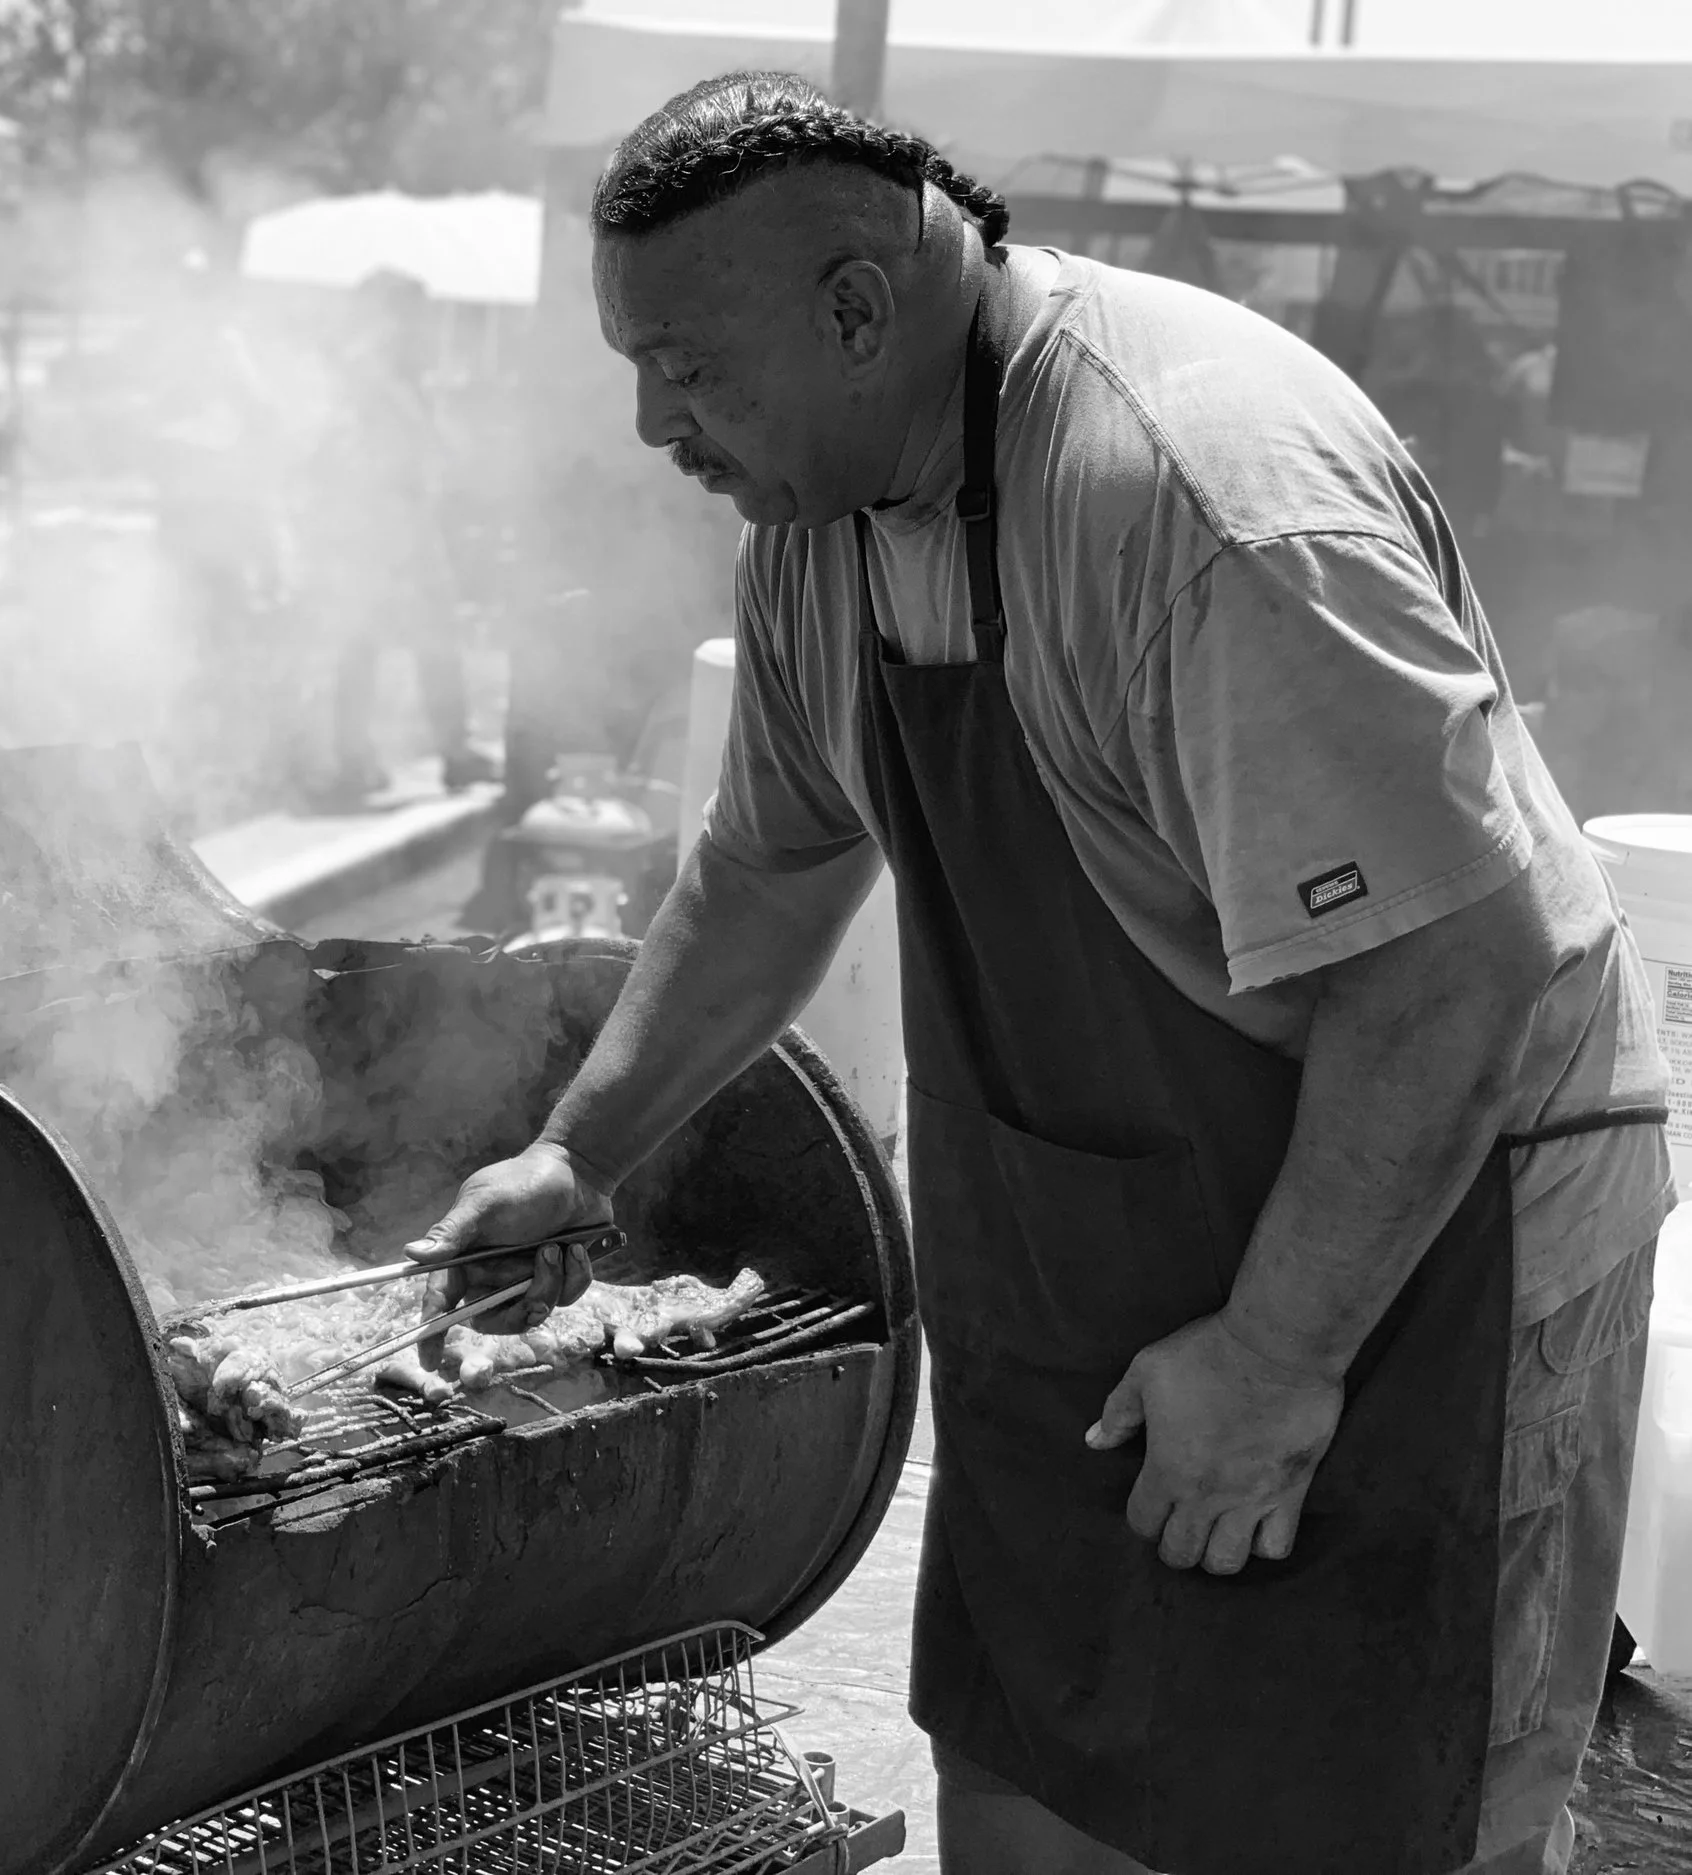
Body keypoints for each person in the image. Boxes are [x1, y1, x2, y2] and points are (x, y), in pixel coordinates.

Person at [407, 72, 1676, 1875]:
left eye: (684, 364)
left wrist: (1281, 1350)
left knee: (1381, 1806)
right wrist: (579, 1156)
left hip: (1442, 1214)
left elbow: (1450, 979)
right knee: (1036, 1779)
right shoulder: (818, 521)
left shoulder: (1193, 493)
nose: (647, 422)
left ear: (858, 308)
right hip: (1110, 1230)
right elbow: (772, 870)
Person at [306, 271, 496, 804]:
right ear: (392, 318)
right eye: (419, 314)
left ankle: (447, 754)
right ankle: (358, 761)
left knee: (428, 641)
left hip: (404, 525)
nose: (432, 328)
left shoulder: (400, 375)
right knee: (364, 643)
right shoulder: (367, 377)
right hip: (376, 529)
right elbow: (351, 460)